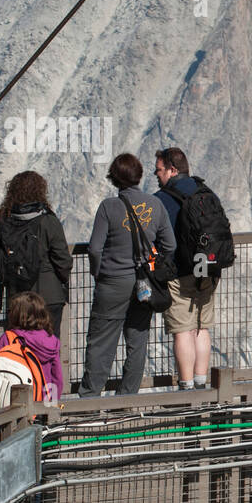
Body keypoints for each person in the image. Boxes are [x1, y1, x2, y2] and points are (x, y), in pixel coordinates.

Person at [79, 153, 176, 397]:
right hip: (144, 283)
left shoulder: (108, 207)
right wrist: (152, 264)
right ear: (139, 176)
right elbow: (170, 245)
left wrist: (99, 273)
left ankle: (90, 399)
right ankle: (127, 397)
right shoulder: (155, 205)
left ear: (114, 178)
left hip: (112, 282)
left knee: (101, 341)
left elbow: (94, 249)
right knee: (137, 340)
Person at [154, 147, 224, 391]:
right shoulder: (204, 191)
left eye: (159, 169)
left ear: (173, 170)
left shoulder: (161, 199)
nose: (156, 174)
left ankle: (186, 389)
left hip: (178, 272)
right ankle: (201, 384)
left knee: (182, 330)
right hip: (206, 269)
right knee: (201, 327)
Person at [0, 171, 72, 335]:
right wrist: (60, 281)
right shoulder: (49, 221)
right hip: (49, 297)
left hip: (18, 298)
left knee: (20, 350)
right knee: (48, 348)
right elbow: (63, 261)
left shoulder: (3, 220)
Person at [0, 291, 64, 402]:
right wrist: (52, 406)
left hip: (16, 402)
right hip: (44, 402)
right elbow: (57, 378)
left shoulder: (9, 338)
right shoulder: (52, 340)